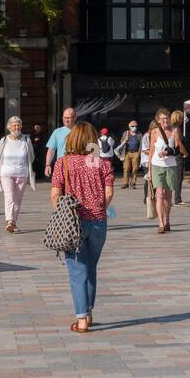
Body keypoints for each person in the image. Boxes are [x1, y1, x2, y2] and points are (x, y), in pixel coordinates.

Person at [50, 120, 115, 334]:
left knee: (78, 270)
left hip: (73, 222)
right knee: (90, 267)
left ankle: (82, 320)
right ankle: (88, 311)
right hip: (98, 222)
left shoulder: (64, 163)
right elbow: (108, 193)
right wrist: (98, 209)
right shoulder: (100, 163)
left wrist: (62, 211)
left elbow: (55, 194)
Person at [0, 116, 35, 234]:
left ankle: (14, 222)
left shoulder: (26, 140)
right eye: (14, 125)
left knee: (18, 199)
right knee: (10, 197)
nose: (16, 127)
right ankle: (9, 221)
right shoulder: (4, 140)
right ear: (9, 127)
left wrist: (26, 167)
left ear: (21, 126)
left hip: (22, 173)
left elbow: (31, 156)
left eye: (18, 125)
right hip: (6, 173)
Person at [147, 107, 182, 233]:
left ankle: (167, 219)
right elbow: (151, 150)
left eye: (166, 118)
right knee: (160, 195)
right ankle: (160, 223)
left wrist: (167, 152)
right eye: (162, 119)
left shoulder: (175, 130)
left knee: (168, 196)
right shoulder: (155, 132)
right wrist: (149, 170)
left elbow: (178, 149)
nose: (165, 121)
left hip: (171, 166)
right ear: (158, 120)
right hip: (157, 166)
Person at [44, 107, 75, 178]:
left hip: (77, 165)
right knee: (59, 188)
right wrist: (47, 165)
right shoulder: (57, 132)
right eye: (65, 117)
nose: (66, 120)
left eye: (69, 118)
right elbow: (51, 150)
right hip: (61, 164)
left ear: (75, 117)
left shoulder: (81, 131)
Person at [170, 110, 189, 204]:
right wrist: (185, 153)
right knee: (178, 177)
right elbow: (178, 143)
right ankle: (177, 199)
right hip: (177, 155)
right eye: (181, 118)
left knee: (173, 177)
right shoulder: (176, 129)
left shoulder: (170, 128)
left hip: (171, 154)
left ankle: (174, 198)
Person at [119, 120, 142, 188]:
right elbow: (121, 142)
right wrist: (124, 140)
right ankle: (125, 183)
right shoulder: (126, 133)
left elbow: (141, 144)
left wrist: (139, 153)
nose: (134, 127)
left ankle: (133, 183)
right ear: (129, 127)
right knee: (126, 169)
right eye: (133, 126)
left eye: (136, 126)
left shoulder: (139, 134)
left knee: (135, 169)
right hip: (127, 153)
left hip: (135, 153)